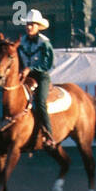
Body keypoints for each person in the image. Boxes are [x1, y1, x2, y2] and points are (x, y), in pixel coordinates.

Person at [19, 9, 56, 148]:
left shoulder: (44, 43)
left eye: (32, 24)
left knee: (40, 102)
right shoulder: (21, 41)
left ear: (38, 27)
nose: (29, 27)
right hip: (24, 76)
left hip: (41, 77)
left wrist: (30, 69)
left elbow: (48, 64)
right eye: (28, 24)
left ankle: (48, 134)